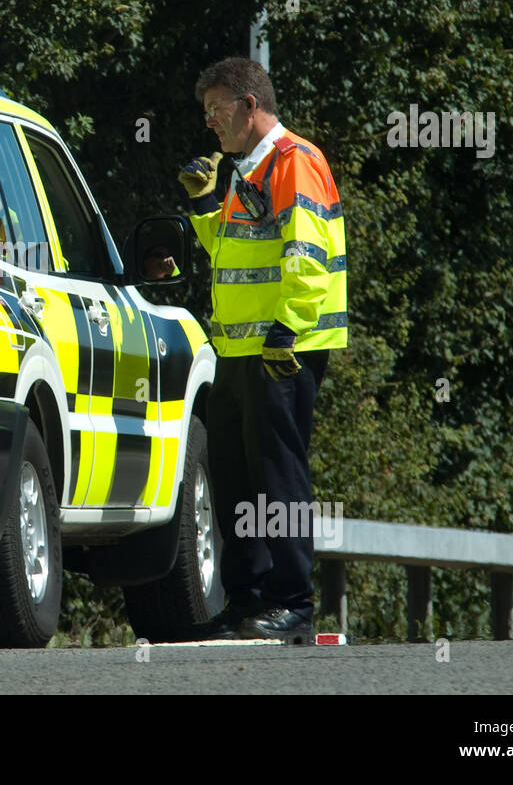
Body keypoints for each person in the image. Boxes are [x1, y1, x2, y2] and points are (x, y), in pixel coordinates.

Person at [178, 57, 347, 642]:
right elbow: (232, 256)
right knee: (234, 475)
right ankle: (246, 600)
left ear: (251, 106)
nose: (210, 124)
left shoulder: (294, 161)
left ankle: (292, 602)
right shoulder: (247, 169)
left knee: (277, 473)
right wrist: (204, 207)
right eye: (206, 113)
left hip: (282, 346)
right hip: (239, 350)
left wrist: (287, 331)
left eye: (217, 110)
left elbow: (308, 252)